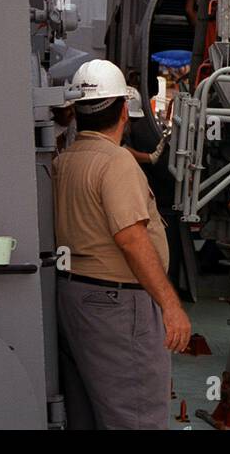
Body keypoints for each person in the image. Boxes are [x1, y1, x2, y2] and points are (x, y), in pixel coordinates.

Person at [53, 59, 190, 429]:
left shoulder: (65, 160)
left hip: (73, 299)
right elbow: (130, 240)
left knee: (89, 416)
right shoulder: (116, 163)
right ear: (123, 112)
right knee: (137, 416)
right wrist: (170, 306)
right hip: (116, 307)